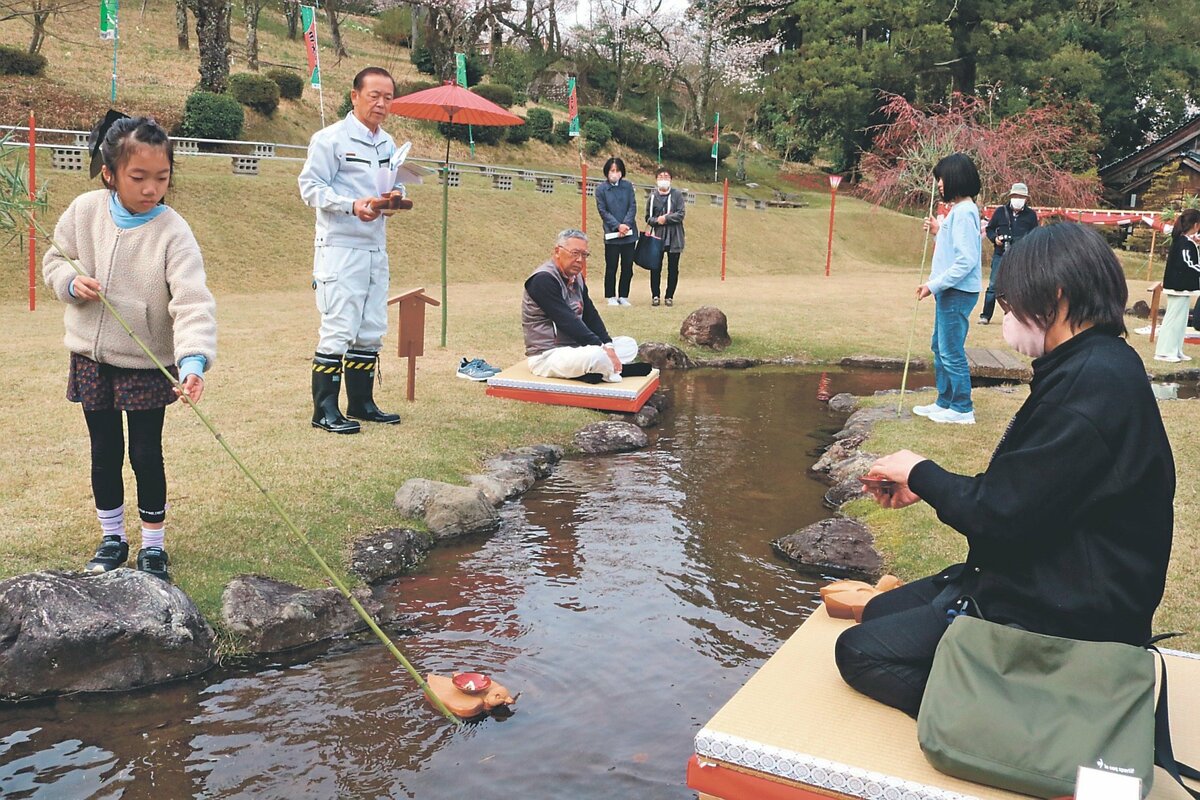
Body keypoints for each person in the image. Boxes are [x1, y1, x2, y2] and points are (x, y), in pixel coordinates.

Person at [834, 223, 1175, 719]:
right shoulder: (1095, 365)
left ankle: (1025, 714)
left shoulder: (1090, 389)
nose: (1007, 317)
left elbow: (1001, 513)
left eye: (1014, 305)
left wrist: (922, 470)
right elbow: (1029, 491)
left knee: (860, 652)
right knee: (882, 611)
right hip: (1047, 571)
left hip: (1071, 614)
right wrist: (922, 485)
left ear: (1056, 296)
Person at [43, 113, 218, 583]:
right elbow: (54, 257)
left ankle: (153, 547)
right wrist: (69, 280)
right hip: (92, 359)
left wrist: (193, 361)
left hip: (147, 362)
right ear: (110, 174)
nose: (150, 189)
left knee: (145, 452)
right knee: (104, 450)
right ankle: (112, 539)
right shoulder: (84, 211)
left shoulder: (173, 231)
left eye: (161, 178)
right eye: (138, 178)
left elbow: (192, 300)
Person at [298, 66, 407, 434]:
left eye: (388, 97)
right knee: (339, 326)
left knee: (372, 327)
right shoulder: (330, 139)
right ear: (355, 96)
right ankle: (324, 409)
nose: (381, 103)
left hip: (376, 246)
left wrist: (395, 199)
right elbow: (310, 187)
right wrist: (351, 204)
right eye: (374, 95)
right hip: (340, 246)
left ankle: (360, 402)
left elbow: (391, 183)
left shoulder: (388, 144)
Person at [912, 153, 983, 425]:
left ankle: (963, 409)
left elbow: (966, 260)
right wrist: (938, 231)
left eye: (941, 179)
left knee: (951, 350)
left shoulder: (965, 212)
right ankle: (945, 402)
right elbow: (953, 248)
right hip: (950, 290)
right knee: (939, 346)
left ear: (956, 178)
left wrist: (933, 285)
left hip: (957, 291)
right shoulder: (959, 211)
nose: (939, 184)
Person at [522, 229, 640, 381]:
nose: (580, 260)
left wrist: (608, 345)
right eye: (575, 253)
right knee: (597, 355)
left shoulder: (577, 277)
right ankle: (606, 371)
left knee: (628, 345)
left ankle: (602, 369)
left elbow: (591, 315)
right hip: (548, 355)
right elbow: (567, 321)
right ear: (558, 251)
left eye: (584, 255)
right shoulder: (542, 280)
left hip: (577, 348)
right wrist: (600, 347)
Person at [980, 182, 1039, 324]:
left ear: (1026, 199)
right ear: (1011, 196)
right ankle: (985, 315)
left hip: (1020, 256)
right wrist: (996, 239)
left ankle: (1019, 315)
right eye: (1016, 196)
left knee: (1020, 287)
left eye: (1021, 196)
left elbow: (1035, 235)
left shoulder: (1031, 215)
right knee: (993, 285)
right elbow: (990, 229)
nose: (1018, 199)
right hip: (1000, 254)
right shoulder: (1000, 212)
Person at [1154, 208, 1200, 363]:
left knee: (1181, 319)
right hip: (1178, 286)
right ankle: (1164, 351)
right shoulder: (1184, 242)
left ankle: (1176, 349)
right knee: (1173, 318)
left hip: (1183, 287)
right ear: (1195, 225)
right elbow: (1188, 263)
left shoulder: (1185, 241)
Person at [593, 156, 638, 307]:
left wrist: (626, 224)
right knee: (611, 266)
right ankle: (610, 295)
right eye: (612, 170)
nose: (615, 173)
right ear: (607, 172)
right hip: (612, 234)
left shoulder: (627, 186)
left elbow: (632, 206)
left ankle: (624, 295)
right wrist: (617, 226)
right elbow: (603, 211)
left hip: (629, 234)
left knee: (627, 267)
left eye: (618, 171)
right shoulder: (601, 189)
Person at [645, 166, 685, 307]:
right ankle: (655, 295)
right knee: (655, 266)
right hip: (658, 235)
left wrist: (665, 219)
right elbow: (648, 218)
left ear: (671, 179)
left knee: (673, 267)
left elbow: (680, 214)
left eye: (666, 177)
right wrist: (657, 221)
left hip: (675, 235)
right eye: (660, 177)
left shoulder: (677, 195)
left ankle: (669, 296)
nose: (663, 180)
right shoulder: (653, 197)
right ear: (656, 180)